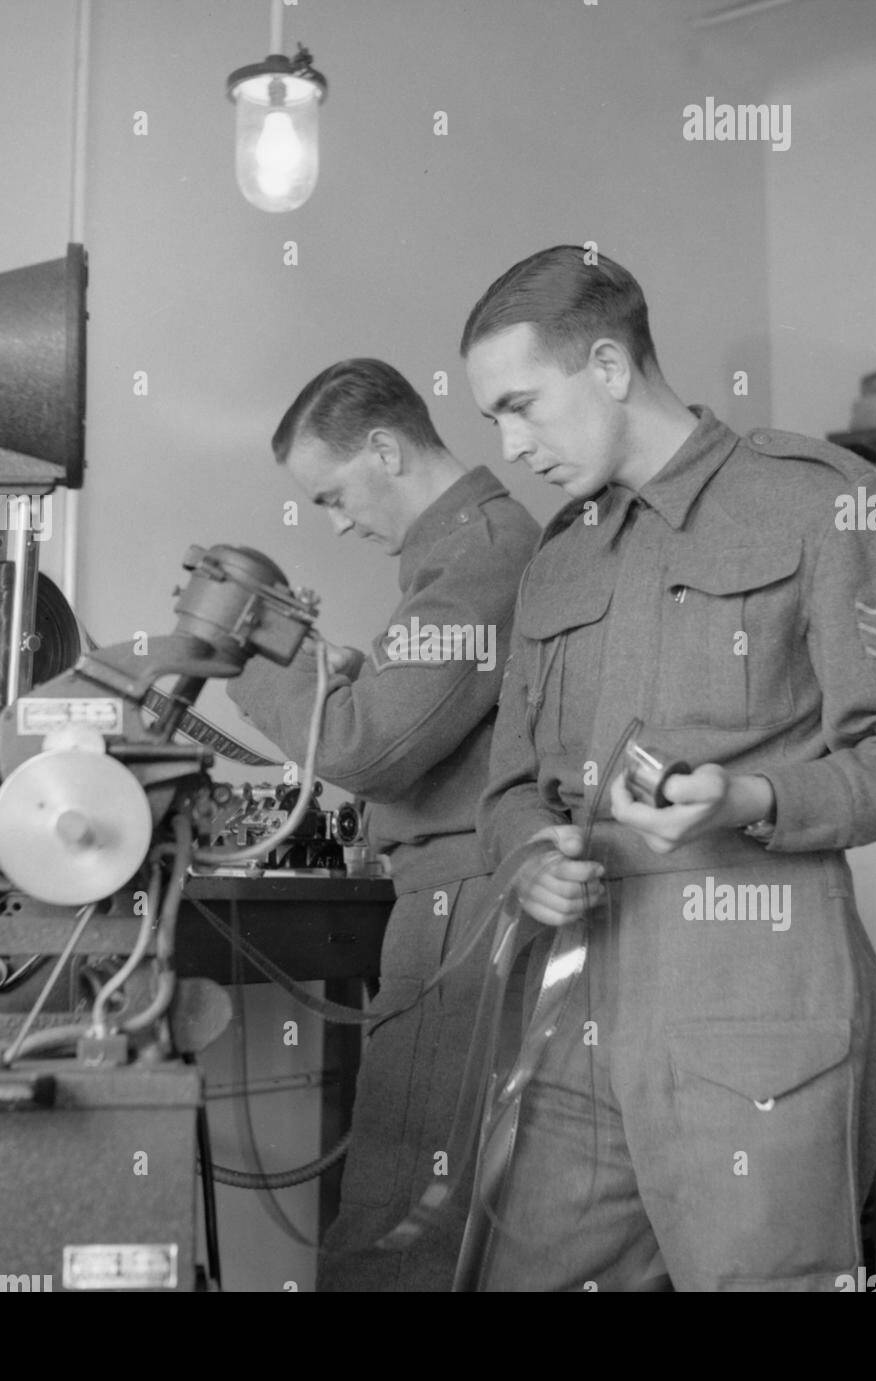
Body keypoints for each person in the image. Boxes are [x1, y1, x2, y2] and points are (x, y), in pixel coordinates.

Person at [460, 246, 876, 1292]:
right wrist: (526, 853)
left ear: (608, 364)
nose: (513, 446)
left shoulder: (823, 504)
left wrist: (756, 797)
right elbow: (508, 789)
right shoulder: (558, 557)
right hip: (570, 1011)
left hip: (758, 1011)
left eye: (522, 406)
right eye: (494, 422)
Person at [226, 357, 541, 1291]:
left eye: (332, 494)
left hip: (459, 903)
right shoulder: (457, 555)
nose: (336, 522)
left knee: (401, 1209)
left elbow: (369, 749)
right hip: (451, 891)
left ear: (385, 448)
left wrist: (241, 651)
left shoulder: (483, 553)